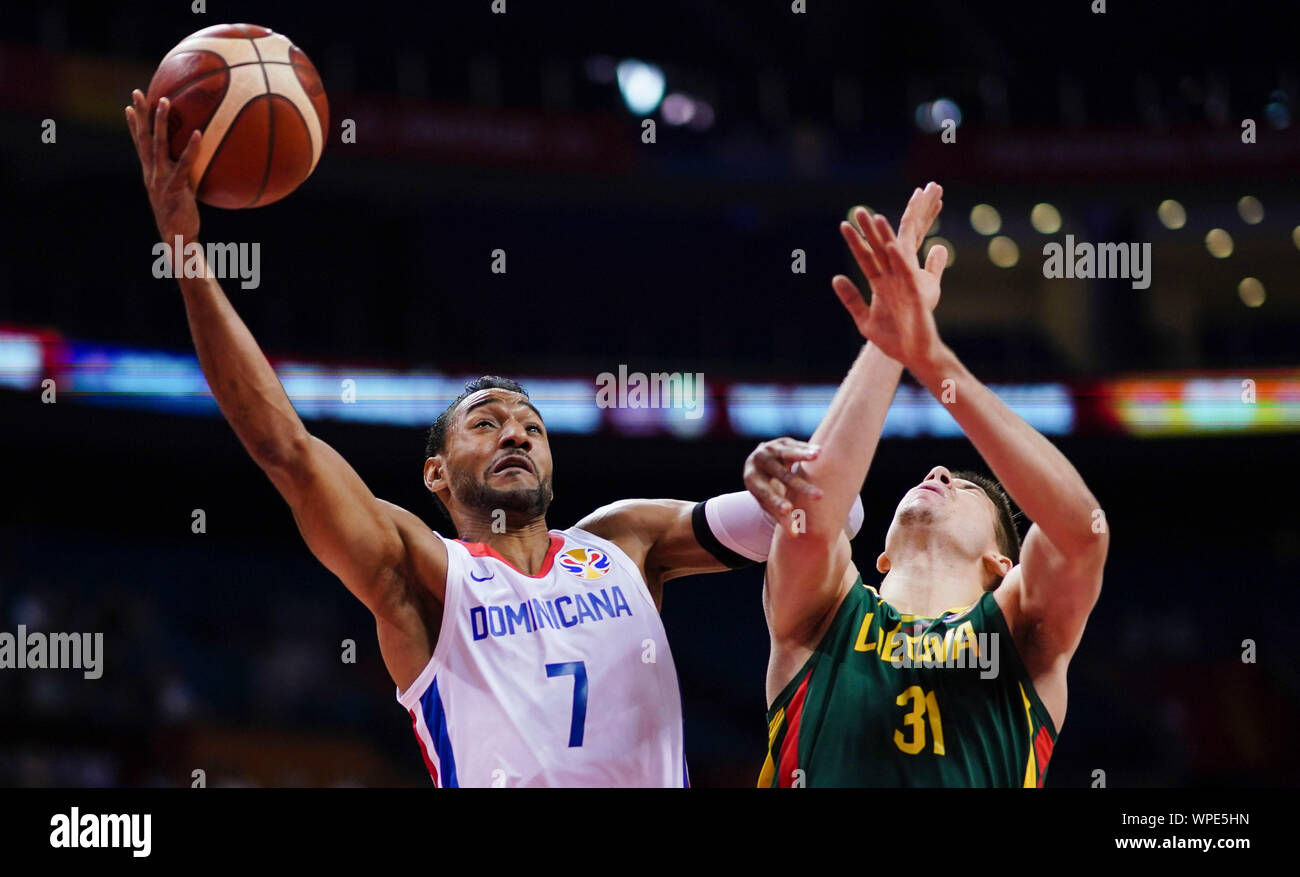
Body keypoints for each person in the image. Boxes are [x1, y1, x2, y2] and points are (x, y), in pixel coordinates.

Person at [124, 91, 863, 787]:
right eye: (486, 422)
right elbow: (284, 447)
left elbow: (835, 518)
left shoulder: (623, 541)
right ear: (436, 475)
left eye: (531, 426)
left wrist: (789, 473)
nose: (515, 430)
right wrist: (190, 260)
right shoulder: (423, 573)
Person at [743, 183, 1108, 786]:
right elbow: (812, 510)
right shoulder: (826, 615)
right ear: (879, 556)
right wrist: (889, 340)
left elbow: (1082, 536)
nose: (938, 473)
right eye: (939, 475)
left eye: (969, 490)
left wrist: (933, 361)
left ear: (1002, 563)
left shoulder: (1018, 634)